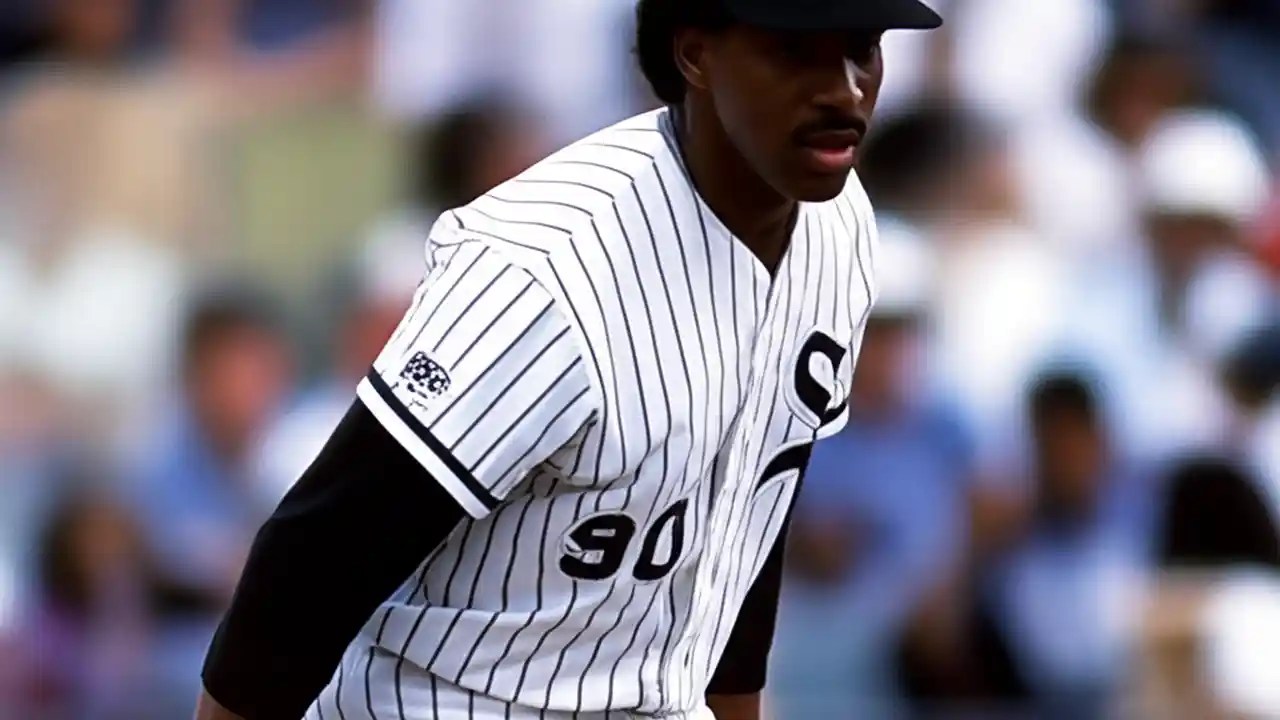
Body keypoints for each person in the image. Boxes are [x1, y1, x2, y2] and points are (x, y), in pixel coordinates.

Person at [197, 0, 944, 718]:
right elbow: (312, 561)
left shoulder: (840, 229)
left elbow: (754, 508)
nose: (844, 90)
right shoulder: (548, 266)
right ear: (695, 54)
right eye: (797, 52)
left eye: (862, 50)